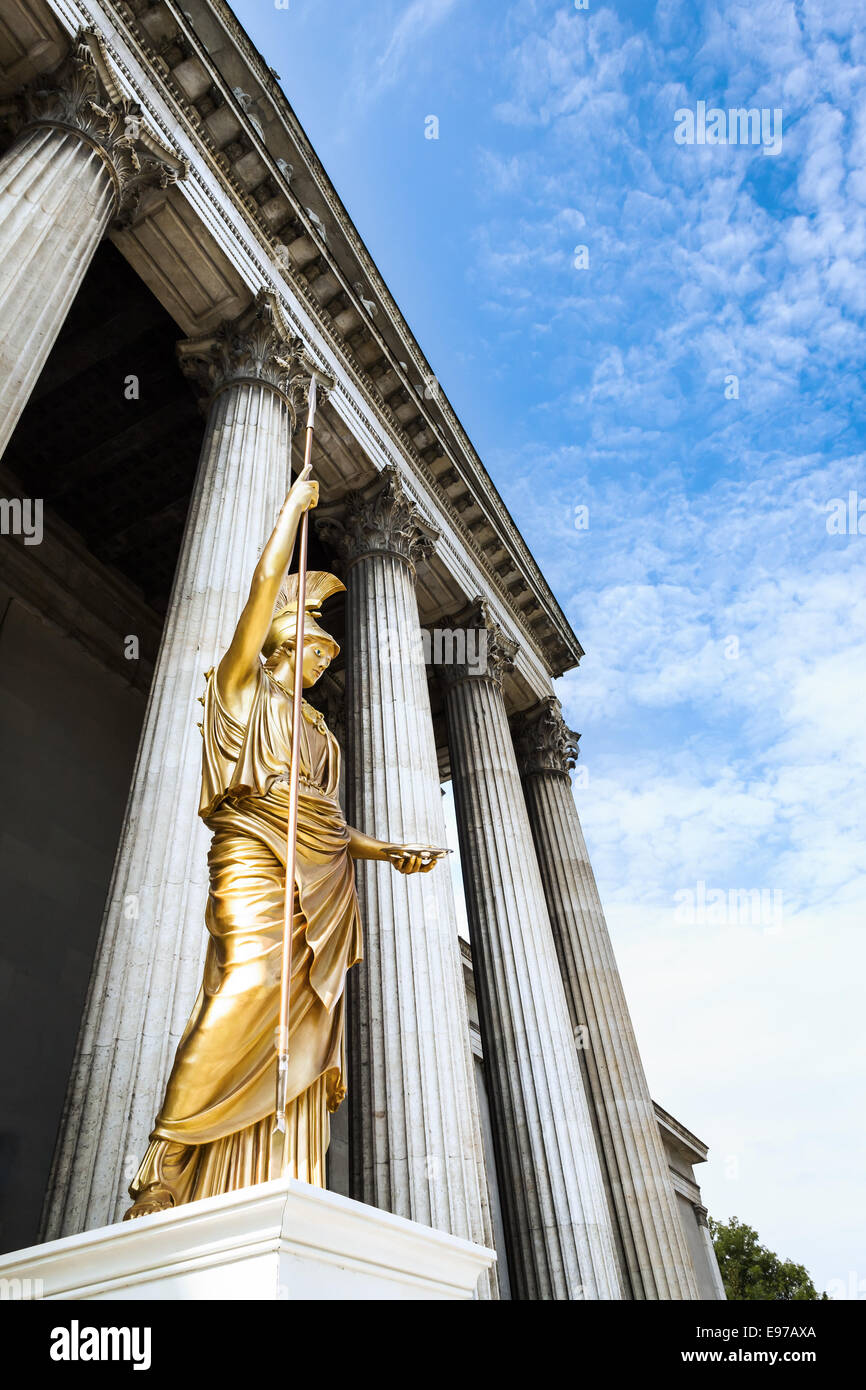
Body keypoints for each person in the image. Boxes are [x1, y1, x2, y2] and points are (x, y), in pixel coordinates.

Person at [124, 464, 442, 1218]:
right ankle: (167, 1150)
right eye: (313, 653)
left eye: (327, 661)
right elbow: (259, 596)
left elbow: (325, 825)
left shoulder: (321, 735)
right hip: (252, 858)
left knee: (298, 1017)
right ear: (281, 647)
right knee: (247, 985)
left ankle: (269, 1170)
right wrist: (292, 513)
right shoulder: (241, 688)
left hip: (319, 885)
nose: (320, 665)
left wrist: (387, 852)